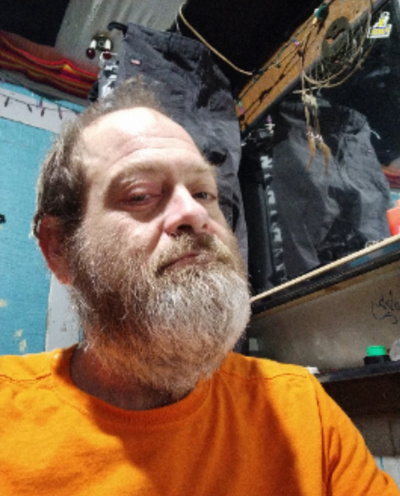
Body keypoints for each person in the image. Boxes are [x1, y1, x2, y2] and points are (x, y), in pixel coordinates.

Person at [0, 78, 398, 495]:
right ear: (60, 250)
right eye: (139, 195)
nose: (193, 213)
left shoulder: (301, 411)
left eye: (204, 193)